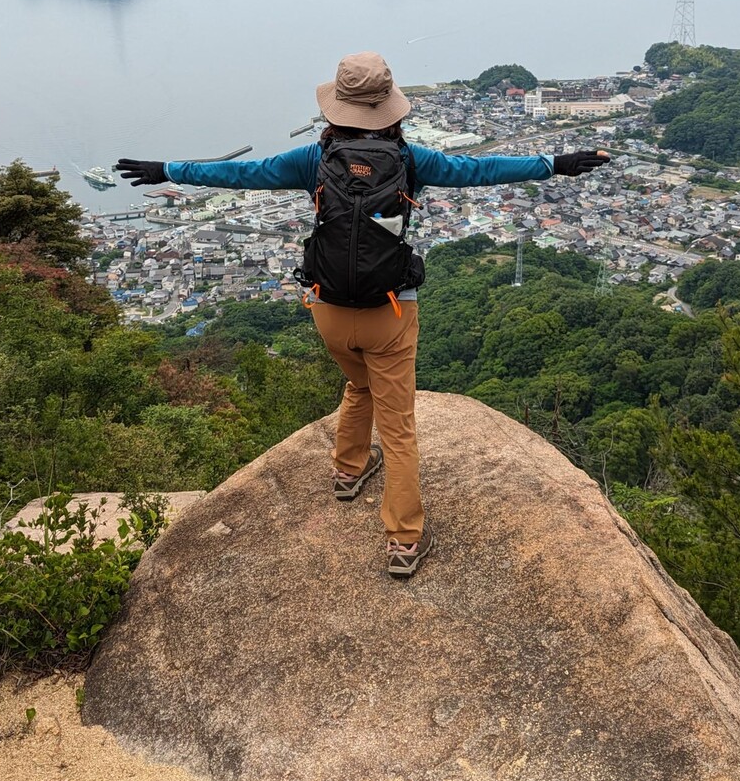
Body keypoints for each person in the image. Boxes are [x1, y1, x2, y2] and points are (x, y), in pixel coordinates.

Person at [116, 51, 610, 579]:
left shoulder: (312, 160)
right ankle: (403, 539)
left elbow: (238, 174)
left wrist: (165, 169)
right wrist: (555, 164)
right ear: (391, 110)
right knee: (398, 429)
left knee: (359, 386)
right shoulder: (412, 161)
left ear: (336, 108)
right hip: (389, 311)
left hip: (327, 309)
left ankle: (349, 470)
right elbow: (482, 169)